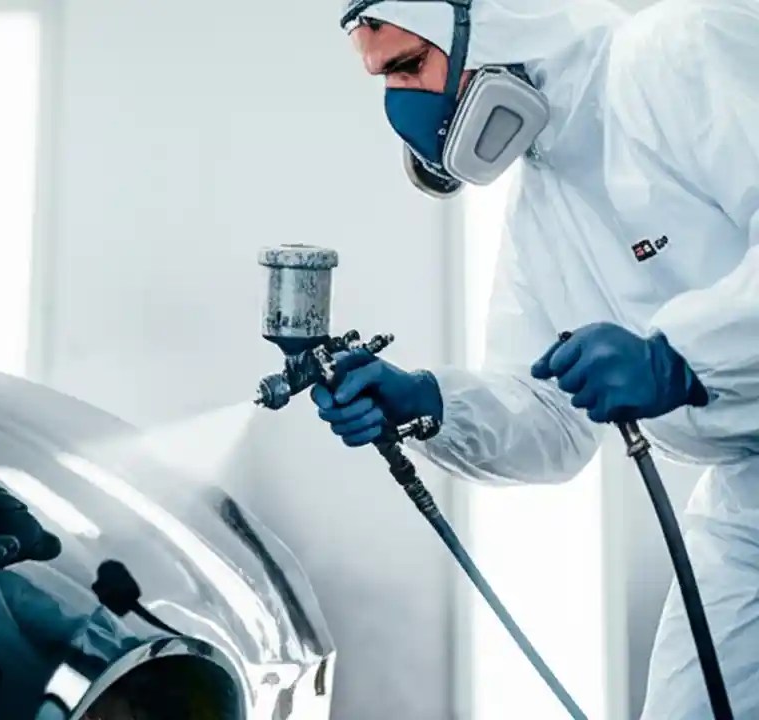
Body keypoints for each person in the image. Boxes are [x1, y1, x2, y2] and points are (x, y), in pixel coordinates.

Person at [314, 0, 759, 717]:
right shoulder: (543, 207)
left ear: (489, 25)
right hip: (746, 508)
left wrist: (680, 356)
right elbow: (552, 422)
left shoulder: (680, 51)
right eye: (385, 81)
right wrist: (430, 403)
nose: (403, 106)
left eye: (409, 66)